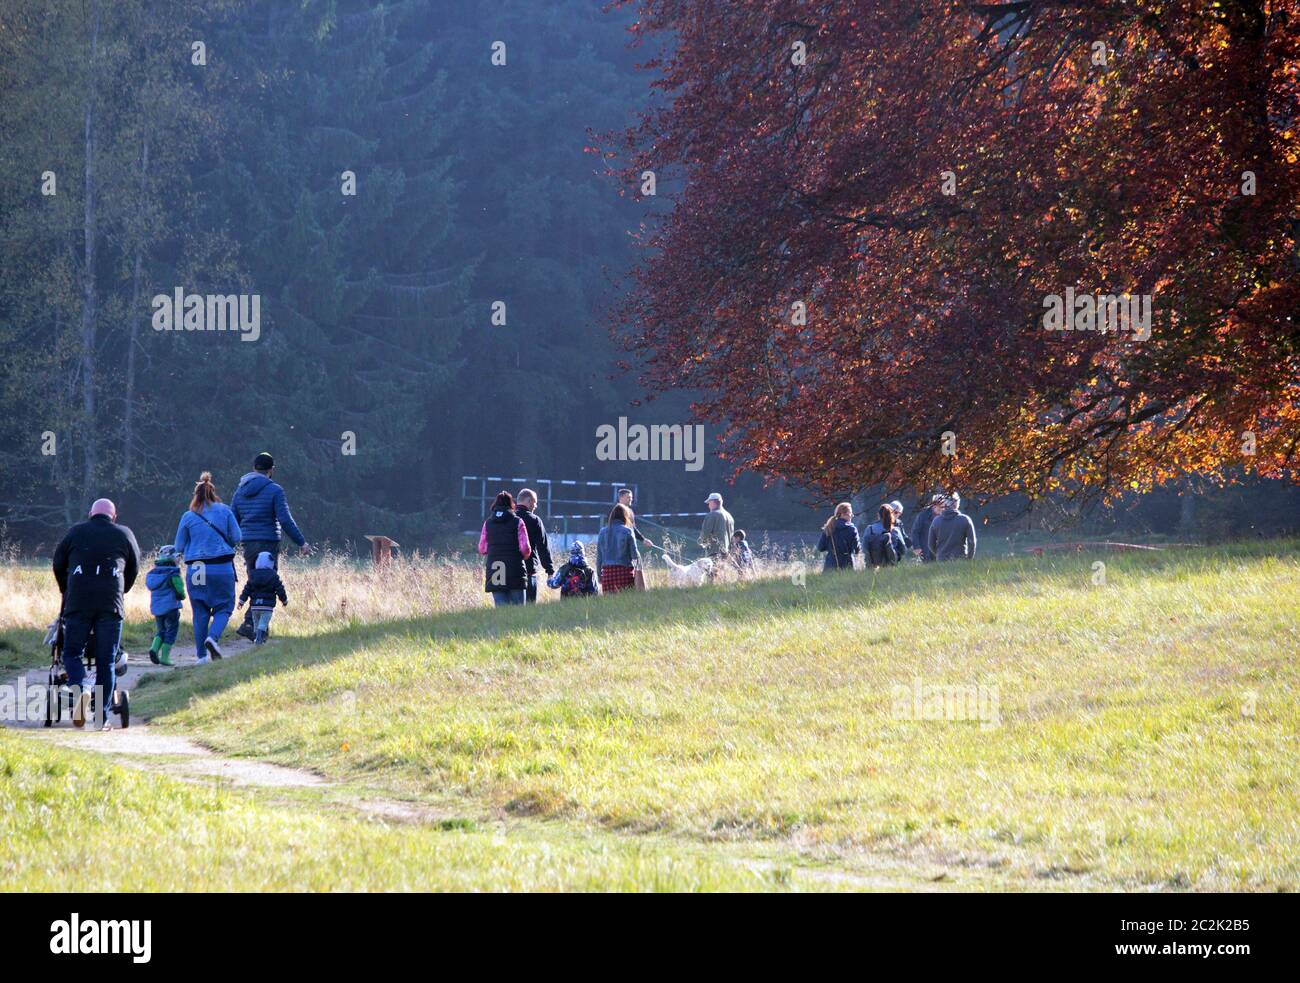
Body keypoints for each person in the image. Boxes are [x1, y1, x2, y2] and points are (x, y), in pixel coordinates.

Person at [51, 499, 141, 729]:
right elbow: (134, 567)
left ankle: (81, 688)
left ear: (91, 514)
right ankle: (101, 718)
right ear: (114, 516)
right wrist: (122, 589)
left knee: (71, 653)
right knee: (106, 660)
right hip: (110, 602)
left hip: (78, 601)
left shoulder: (75, 532)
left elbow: (58, 563)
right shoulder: (124, 534)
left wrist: (66, 588)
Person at [231, 452, 309, 640]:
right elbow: (284, 519)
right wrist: (301, 542)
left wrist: (231, 543)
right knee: (266, 584)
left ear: (254, 468)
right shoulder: (275, 490)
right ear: (271, 469)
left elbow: (232, 519)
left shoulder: (240, 490)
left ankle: (255, 626)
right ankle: (253, 626)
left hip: (248, 543)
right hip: (268, 543)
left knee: (254, 582)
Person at [174, 472, 242, 662]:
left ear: (196, 495)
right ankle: (212, 638)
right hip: (221, 566)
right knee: (224, 607)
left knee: (200, 610)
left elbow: (178, 546)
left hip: (197, 567)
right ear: (213, 493)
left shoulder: (188, 516)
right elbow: (237, 538)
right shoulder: (225, 511)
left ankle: (201, 656)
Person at [478, 491, 532, 606]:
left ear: (495, 505)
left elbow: (482, 549)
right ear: (511, 505)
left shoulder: (488, 523)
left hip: (496, 569)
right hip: (515, 568)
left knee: (501, 612)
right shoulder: (518, 522)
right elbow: (525, 549)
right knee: (518, 612)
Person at [145, 545, 185, 666]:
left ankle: (154, 648)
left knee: (161, 630)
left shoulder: (152, 573)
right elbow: (179, 590)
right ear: (172, 558)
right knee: (171, 630)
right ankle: (165, 657)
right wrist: (182, 596)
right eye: (177, 557)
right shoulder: (173, 573)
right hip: (171, 607)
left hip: (157, 608)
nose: (179, 560)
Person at [238, 552, 289, 644]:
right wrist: (284, 600)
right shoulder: (273, 576)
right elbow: (280, 589)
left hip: (254, 606)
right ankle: (259, 639)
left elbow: (247, 590)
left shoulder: (252, 575)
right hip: (267, 607)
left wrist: (241, 601)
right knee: (263, 623)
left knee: (256, 623)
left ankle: (257, 638)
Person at [515, 488, 554, 604]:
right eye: (535, 502)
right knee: (528, 609)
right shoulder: (534, 520)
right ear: (528, 501)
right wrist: (550, 570)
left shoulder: (509, 518)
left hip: (508, 571)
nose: (536, 505)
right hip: (528, 571)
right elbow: (543, 547)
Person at [597, 503, 641, 594]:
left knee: (609, 605)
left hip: (607, 574)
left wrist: (599, 576)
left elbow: (599, 558)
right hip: (624, 572)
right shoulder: (628, 531)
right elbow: (634, 555)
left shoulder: (602, 532)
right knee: (626, 602)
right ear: (625, 516)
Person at [928, 492, 978, 561]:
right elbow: (972, 542)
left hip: (941, 560)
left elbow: (930, 544)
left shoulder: (936, 521)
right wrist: (969, 558)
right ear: (957, 504)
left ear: (944, 504)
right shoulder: (965, 520)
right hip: (961, 560)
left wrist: (939, 554)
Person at [698, 492, 735, 576]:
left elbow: (705, 533)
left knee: (712, 576)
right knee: (722, 575)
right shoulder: (729, 516)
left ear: (713, 502)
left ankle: (711, 588)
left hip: (714, 551)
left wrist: (701, 542)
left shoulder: (712, 515)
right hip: (726, 551)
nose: (708, 505)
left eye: (709, 503)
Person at [817, 503, 860, 571]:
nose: (852, 516)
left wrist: (831, 549)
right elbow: (857, 550)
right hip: (847, 565)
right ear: (843, 514)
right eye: (850, 513)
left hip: (830, 565)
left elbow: (820, 548)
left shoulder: (829, 527)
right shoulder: (852, 529)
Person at [911, 494, 945, 562]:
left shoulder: (945, 514)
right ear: (934, 505)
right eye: (940, 507)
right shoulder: (923, 514)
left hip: (941, 548)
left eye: (943, 506)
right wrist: (917, 547)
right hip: (926, 548)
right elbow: (915, 531)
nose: (942, 509)